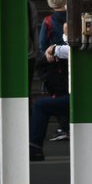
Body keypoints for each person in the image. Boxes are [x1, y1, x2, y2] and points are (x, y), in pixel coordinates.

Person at [29, 26, 70, 161]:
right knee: (43, 105)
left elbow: (71, 50)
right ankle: (34, 147)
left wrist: (53, 48)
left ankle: (34, 147)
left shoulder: (74, 48)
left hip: (81, 98)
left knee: (41, 105)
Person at [38, 0, 70, 141]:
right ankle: (68, 125)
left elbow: (42, 45)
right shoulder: (73, 16)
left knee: (58, 95)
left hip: (55, 65)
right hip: (72, 63)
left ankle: (63, 127)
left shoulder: (48, 21)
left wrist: (49, 53)